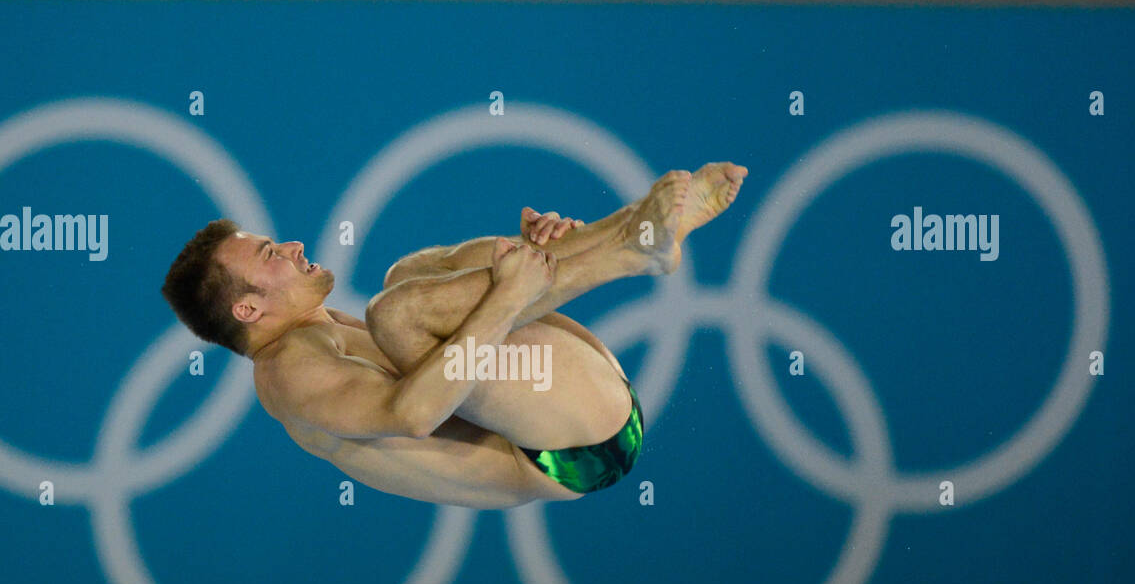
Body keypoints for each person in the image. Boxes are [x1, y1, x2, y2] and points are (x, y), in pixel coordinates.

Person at [162, 163, 748, 508]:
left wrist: (530, 257)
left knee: (406, 278)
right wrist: (509, 295)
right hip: (573, 452)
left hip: (570, 400)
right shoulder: (285, 375)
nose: (290, 246)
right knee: (397, 314)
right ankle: (632, 246)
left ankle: (627, 232)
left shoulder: (318, 330)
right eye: (269, 254)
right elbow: (413, 413)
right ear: (246, 308)